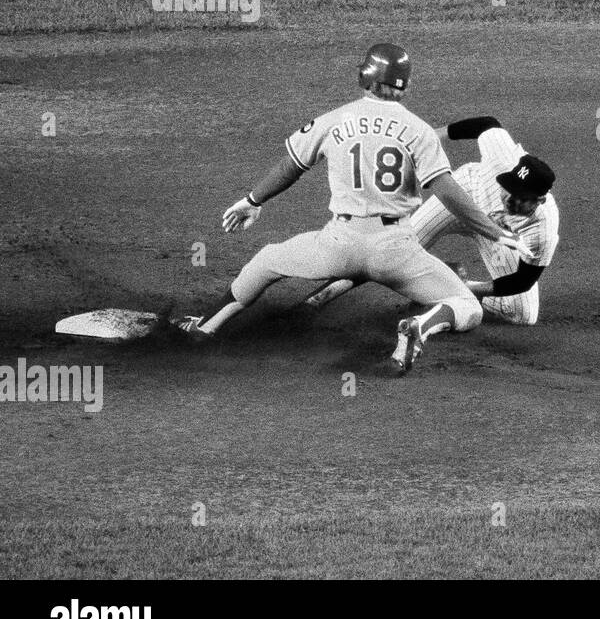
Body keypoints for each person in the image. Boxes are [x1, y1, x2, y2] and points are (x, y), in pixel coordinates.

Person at [174, 44, 526, 375]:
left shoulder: (335, 119)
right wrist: (495, 231)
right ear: (403, 86)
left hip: (338, 244)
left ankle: (205, 327)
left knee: (265, 261)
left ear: (366, 78)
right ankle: (421, 327)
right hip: (396, 251)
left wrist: (252, 201)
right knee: (467, 307)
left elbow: (291, 165)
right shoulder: (420, 131)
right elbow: (447, 191)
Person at [303, 117, 558, 326]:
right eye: (509, 188)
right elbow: (487, 124)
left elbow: (522, 281)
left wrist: (464, 288)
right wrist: (428, 138)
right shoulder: (501, 158)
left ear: (539, 201)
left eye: (520, 197)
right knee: (389, 247)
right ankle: (320, 296)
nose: (510, 197)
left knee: (522, 314)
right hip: (463, 199)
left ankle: (449, 282)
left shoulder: (542, 228)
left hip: (498, 234)